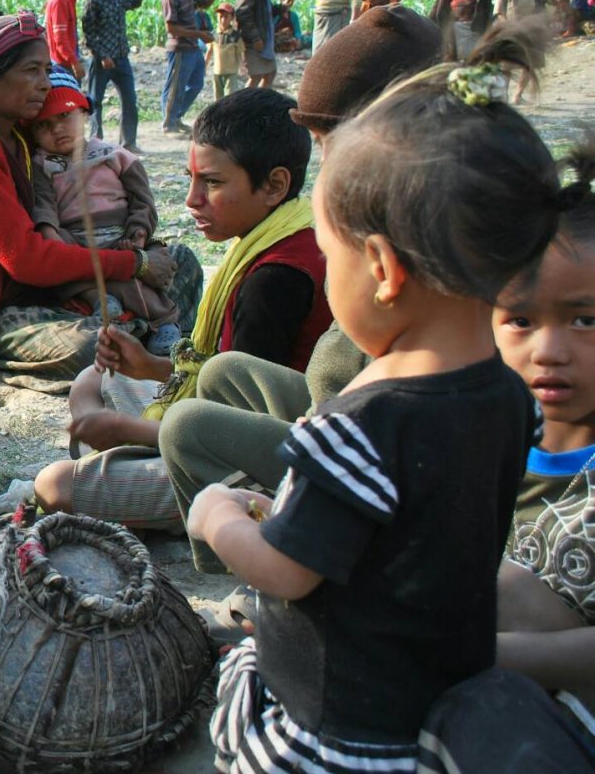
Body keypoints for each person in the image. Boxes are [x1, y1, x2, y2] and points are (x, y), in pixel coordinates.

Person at [189, 49, 563, 773]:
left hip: (338, 736)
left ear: (384, 271)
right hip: (434, 705)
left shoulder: (360, 425)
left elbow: (288, 573)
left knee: (235, 695)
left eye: (331, 257)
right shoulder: (508, 396)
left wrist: (219, 516)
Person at [158, 8, 441, 585]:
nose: (323, 164)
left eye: (324, 142)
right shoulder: (391, 211)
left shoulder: (389, 238)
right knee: (223, 372)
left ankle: (243, 566)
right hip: (332, 405)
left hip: (359, 434)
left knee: (181, 427)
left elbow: (375, 395)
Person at [33, 89, 330, 521]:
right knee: (91, 380)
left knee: (54, 485)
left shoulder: (276, 281)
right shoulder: (277, 236)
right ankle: (124, 455)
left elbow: (235, 428)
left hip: (258, 465)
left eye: (212, 182)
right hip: (218, 418)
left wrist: (128, 429)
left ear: (275, 185)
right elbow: (221, 370)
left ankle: (139, 469)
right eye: (192, 178)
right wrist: (148, 367)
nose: (192, 199)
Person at [0, 13, 201, 394]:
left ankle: (139, 329)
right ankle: (144, 332)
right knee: (91, 345)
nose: (45, 84)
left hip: (42, 286)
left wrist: (135, 242)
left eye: (46, 70)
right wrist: (135, 264)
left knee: (181, 260)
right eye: (32, 71)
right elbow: (26, 259)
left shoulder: (19, 132)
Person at [495, 174, 595, 711]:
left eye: (586, 319)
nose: (549, 350)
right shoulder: (481, 443)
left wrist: (481, 655)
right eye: (521, 320)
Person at [28, 70, 182, 356]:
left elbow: (142, 201)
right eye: (43, 125)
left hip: (120, 234)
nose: (57, 129)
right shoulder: (41, 164)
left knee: (144, 267)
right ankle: (99, 300)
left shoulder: (114, 155)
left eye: (64, 116)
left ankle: (164, 322)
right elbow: (44, 205)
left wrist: (137, 231)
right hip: (75, 238)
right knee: (66, 269)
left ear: (85, 114)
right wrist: (50, 234)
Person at [80, 0, 147, 151]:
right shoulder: (95, 0)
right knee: (95, 102)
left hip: (121, 57)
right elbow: (88, 34)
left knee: (130, 100)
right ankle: (95, 142)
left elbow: (131, 5)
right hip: (102, 60)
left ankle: (128, 142)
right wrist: (102, 55)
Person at [160, 0, 219, 136]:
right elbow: (172, 29)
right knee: (175, 87)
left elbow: (205, 4)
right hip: (180, 48)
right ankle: (168, 123)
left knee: (196, 84)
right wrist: (199, 34)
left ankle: (176, 117)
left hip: (192, 47)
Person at [234, 0, 281, 90]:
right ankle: (243, 104)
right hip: (254, 41)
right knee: (255, 76)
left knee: (270, 74)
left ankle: (258, 104)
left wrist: (283, 7)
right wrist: (255, 38)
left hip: (264, 39)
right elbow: (243, 13)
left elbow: (265, 12)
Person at [46, 0, 82, 79]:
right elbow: (60, 38)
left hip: (64, 61)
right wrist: (74, 62)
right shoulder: (60, 0)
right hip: (62, 64)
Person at [211, 2, 247, 97]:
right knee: (217, 97)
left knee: (230, 96)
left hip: (231, 72)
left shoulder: (235, 36)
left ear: (231, 18)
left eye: (226, 17)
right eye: (220, 16)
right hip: (217, 72)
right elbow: (209, 51)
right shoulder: (214, 34)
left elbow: (239, 53)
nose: (223, 20)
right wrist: (205, 65)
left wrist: (242, 67)